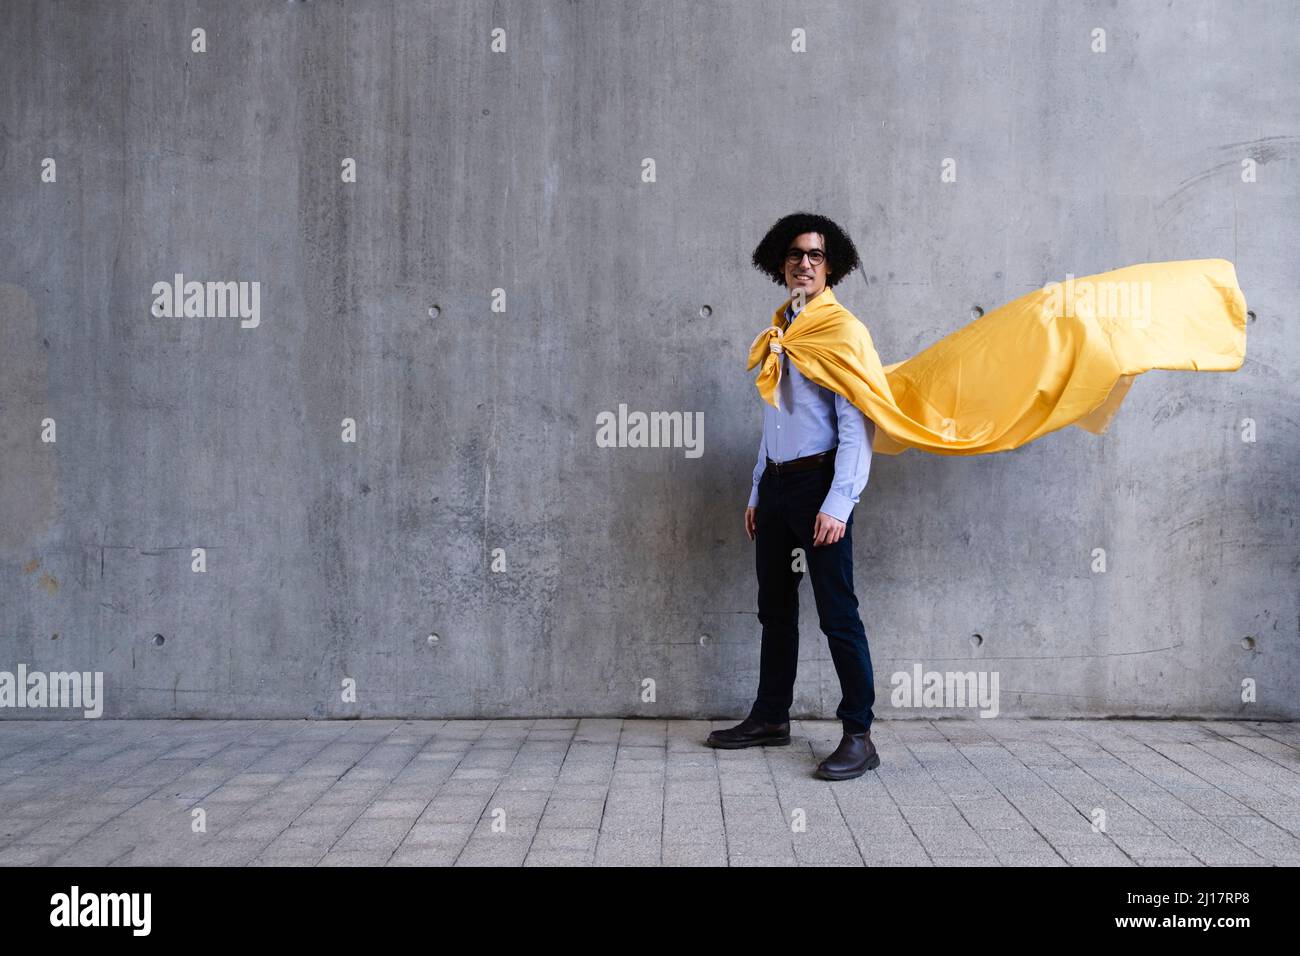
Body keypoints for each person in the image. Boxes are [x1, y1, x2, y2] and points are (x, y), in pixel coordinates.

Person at [706, 212, 880, 781]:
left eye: (816, 256)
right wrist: (758, 487)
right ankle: (770, 718)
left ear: (832, 267)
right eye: (795, 255)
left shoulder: (843, 331)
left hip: (819, 486)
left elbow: (858, 426)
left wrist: (839, 502)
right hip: (778, 487)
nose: (804, 264)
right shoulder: (782, 327)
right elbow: (775, 418)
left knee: (838, 613)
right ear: (781, 263)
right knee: (775, 609)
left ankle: (859, 734)